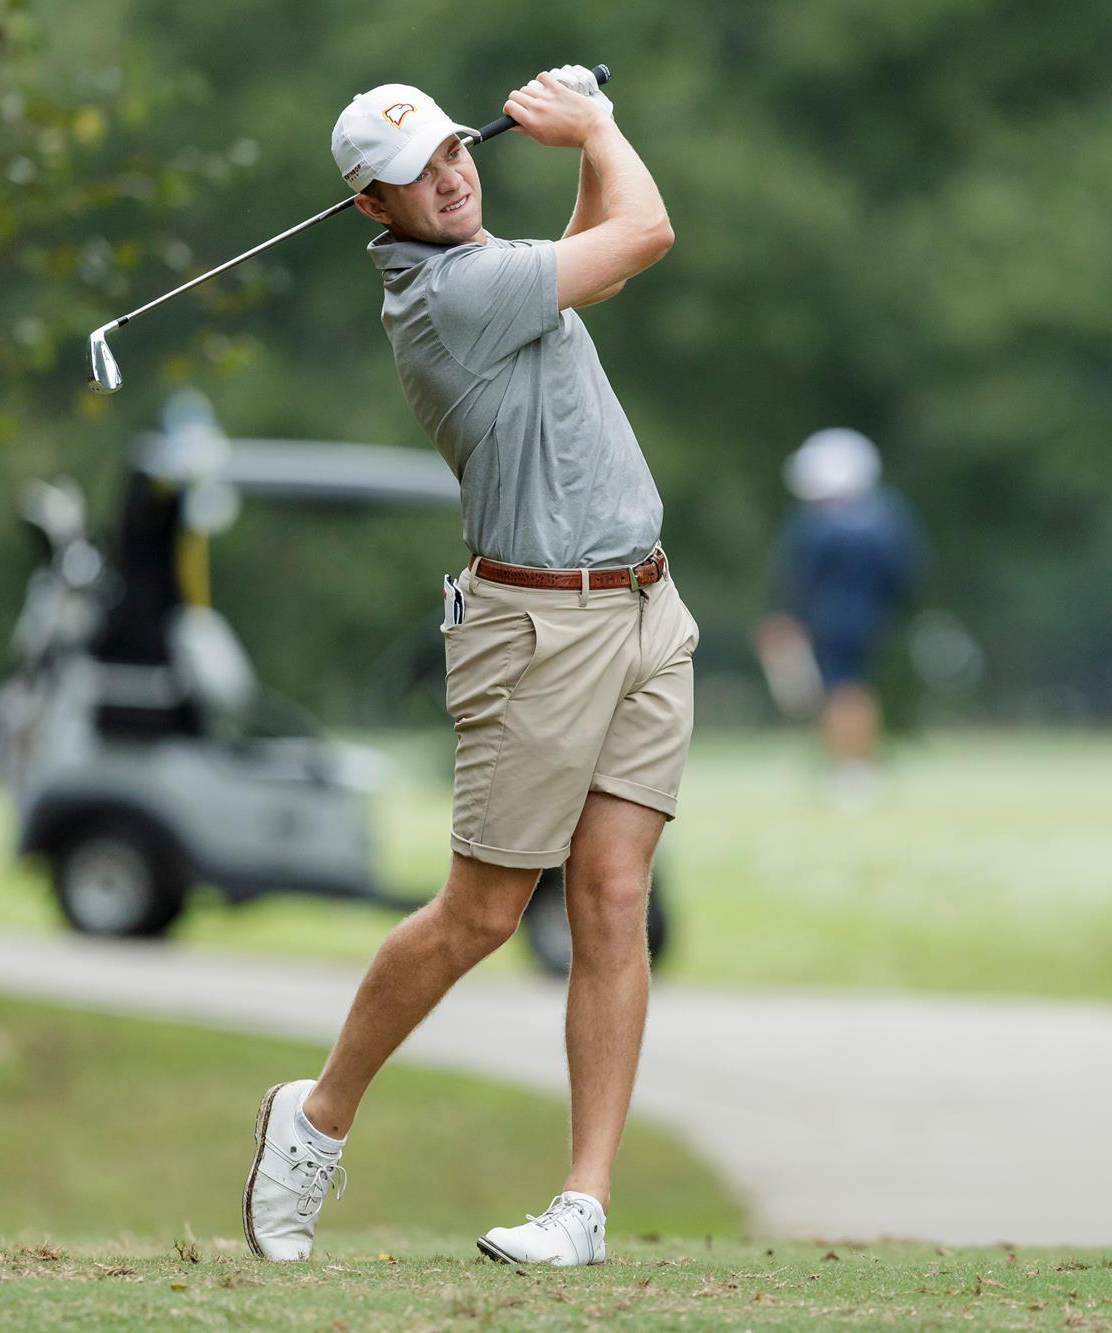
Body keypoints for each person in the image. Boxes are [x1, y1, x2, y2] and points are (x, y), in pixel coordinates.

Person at [242, 67, 695, 1269]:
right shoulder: (450, 298)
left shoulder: (499, 270)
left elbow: (598, 232)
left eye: (453, 151)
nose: (447, 178)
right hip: (534, 631)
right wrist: (594, 125)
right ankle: (317, 1116)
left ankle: (583, 1207)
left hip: (645, 608)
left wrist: (585, 145)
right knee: (482, 912)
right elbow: (642, 232)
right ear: (370, 212)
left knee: (610, 897)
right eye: (412, 176)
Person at [762, 428, 924, 799]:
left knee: (841, 691)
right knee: (857, 688)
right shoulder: (886, 516)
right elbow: (905, 573)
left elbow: (799, 577)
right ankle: (856, 764)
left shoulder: (816, 524)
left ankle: (850, 768)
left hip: (829, 620)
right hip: (874, 620)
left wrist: (790, 616)